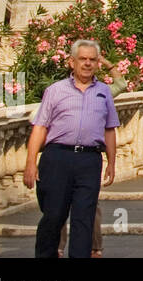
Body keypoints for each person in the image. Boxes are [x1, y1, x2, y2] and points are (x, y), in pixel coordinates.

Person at [23, 39, 118, 259]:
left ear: (97, 64)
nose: (87, 64)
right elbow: (40, 127)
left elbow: (110, 129)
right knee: (53, 215)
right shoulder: (55, 91)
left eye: (92, 60)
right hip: (57, 158)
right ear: (71, 62)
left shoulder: (104, 93)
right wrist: (30, 163)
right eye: (82, 59)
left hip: (89, 160)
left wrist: (112, 163)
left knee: (84, 217)